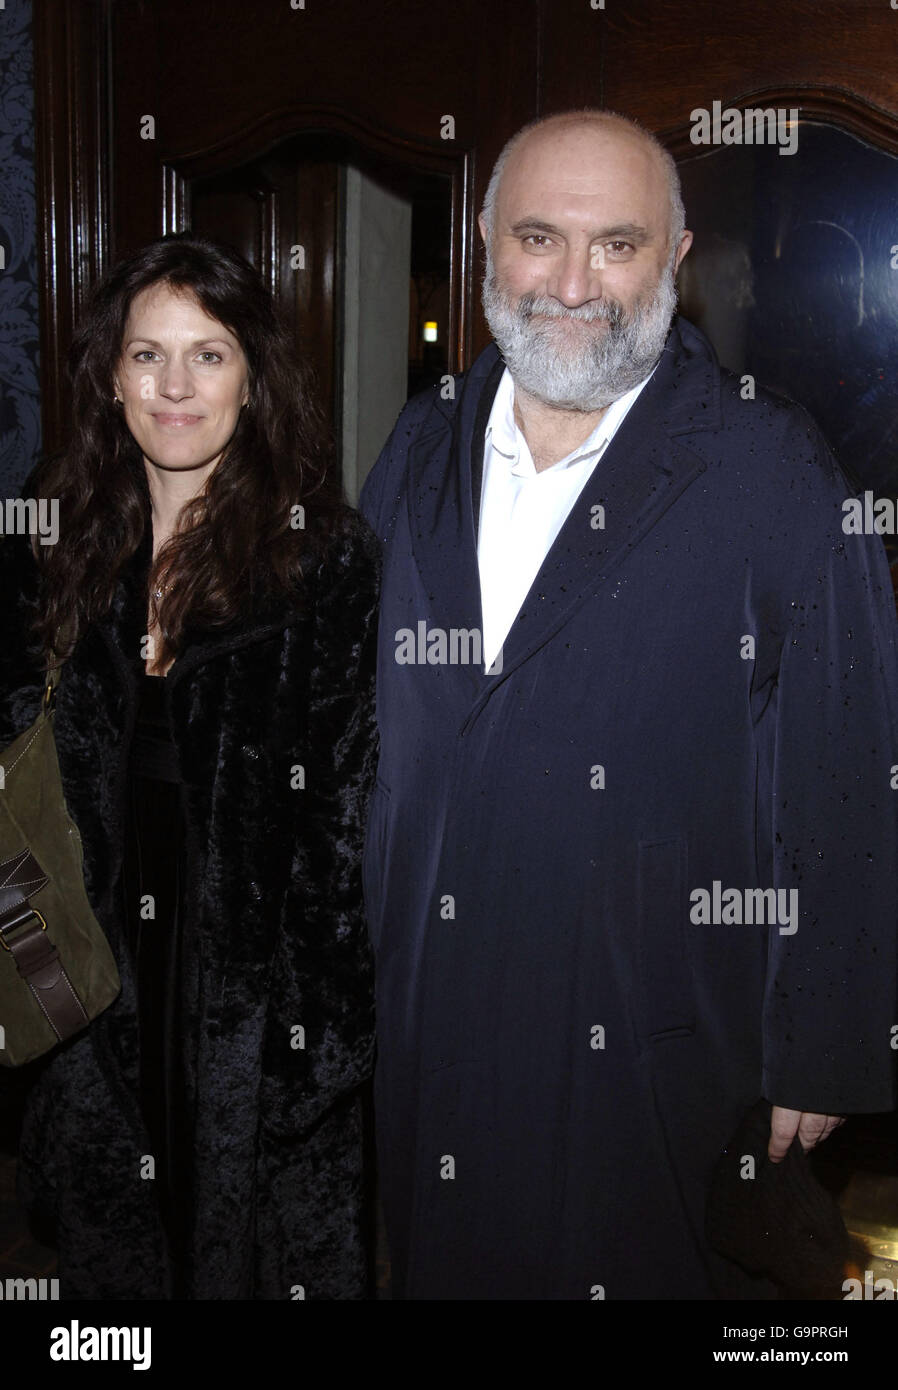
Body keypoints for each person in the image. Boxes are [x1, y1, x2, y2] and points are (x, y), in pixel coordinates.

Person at [359, 111, 898, 1299]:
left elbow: (850, 765)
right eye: (539, 239)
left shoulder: (770, 466)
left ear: (677, 257)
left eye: (616, 245)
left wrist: (823, 1037)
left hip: (645, 1003)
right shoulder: (416, 446)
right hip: (427, 990)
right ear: (486, 245)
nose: (570, 283)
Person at [0, 234, 380, 1299]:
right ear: (109, 375)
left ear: (252, 377)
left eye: (207, 356)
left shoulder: (321, 558)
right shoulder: (58, 537)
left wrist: (311, 1054)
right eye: (147, 355)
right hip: (92, 976)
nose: (175, 386)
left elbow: (343, 831)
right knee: (116, 1255)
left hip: (252, 1002)